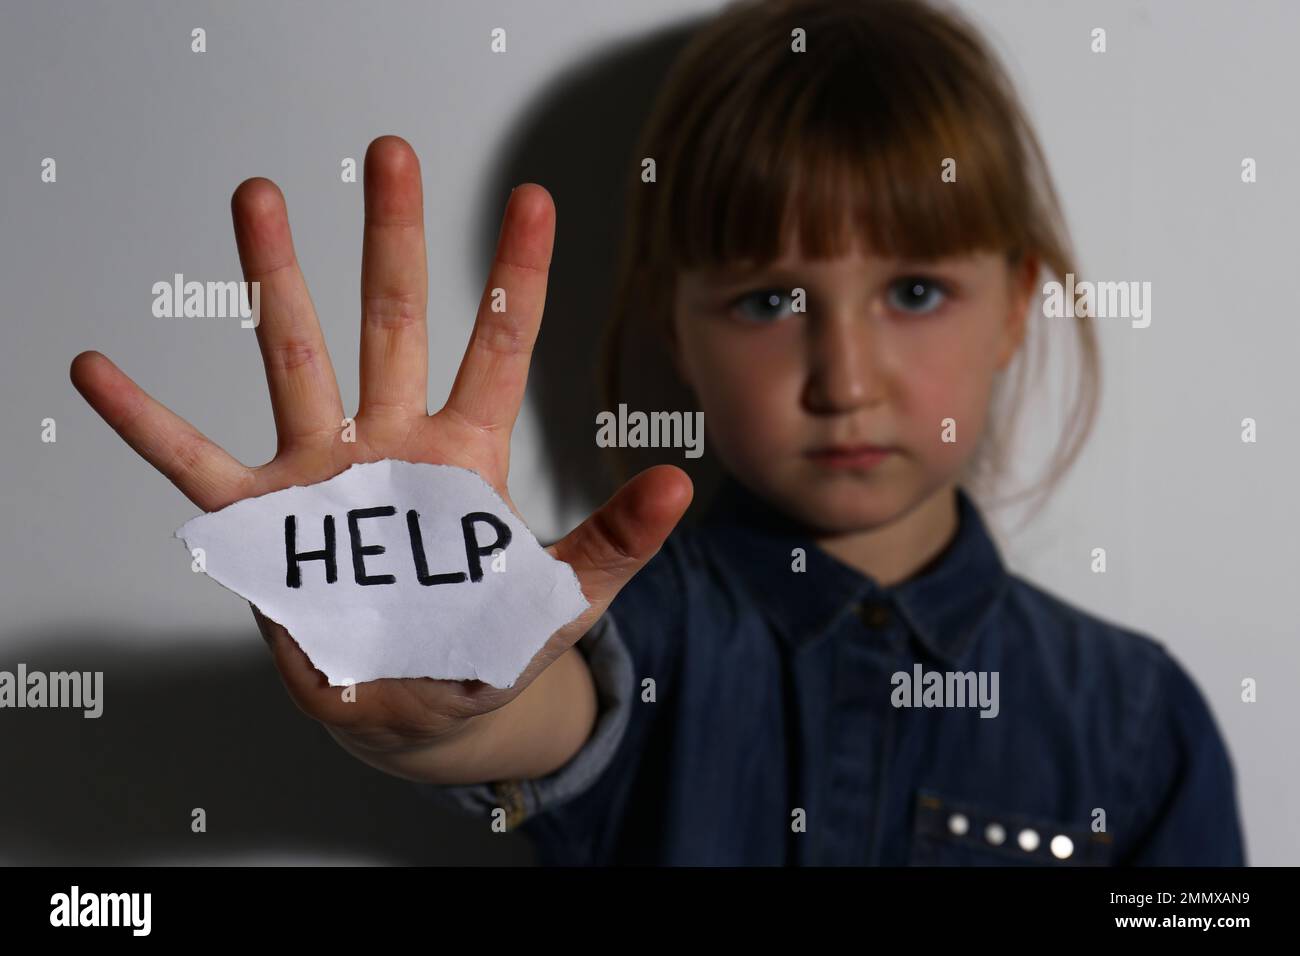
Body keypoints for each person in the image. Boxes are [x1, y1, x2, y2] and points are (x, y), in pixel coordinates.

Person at [70, 0, 1244, 865]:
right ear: (675, 332)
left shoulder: (1137, 720)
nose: (845, 378)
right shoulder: (638, 631)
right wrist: (430, 692)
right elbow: (548, 704)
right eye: (768, 298)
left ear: (1016, 305)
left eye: (917, 291)